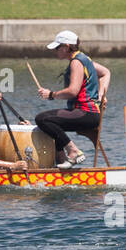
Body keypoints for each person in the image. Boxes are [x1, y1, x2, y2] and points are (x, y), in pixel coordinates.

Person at [35, 30, 111, 166]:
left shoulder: (76, 62)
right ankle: (62, 161)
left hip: (85, 113)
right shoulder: (85, 59)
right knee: (53, 122)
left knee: (42, 119)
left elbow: (72, 91)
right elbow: (106, 73)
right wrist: (100, 95)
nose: (55, 51)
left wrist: (51, 94)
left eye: (57, 48)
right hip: (90, 113)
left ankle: (73, 151)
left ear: (66, 46)